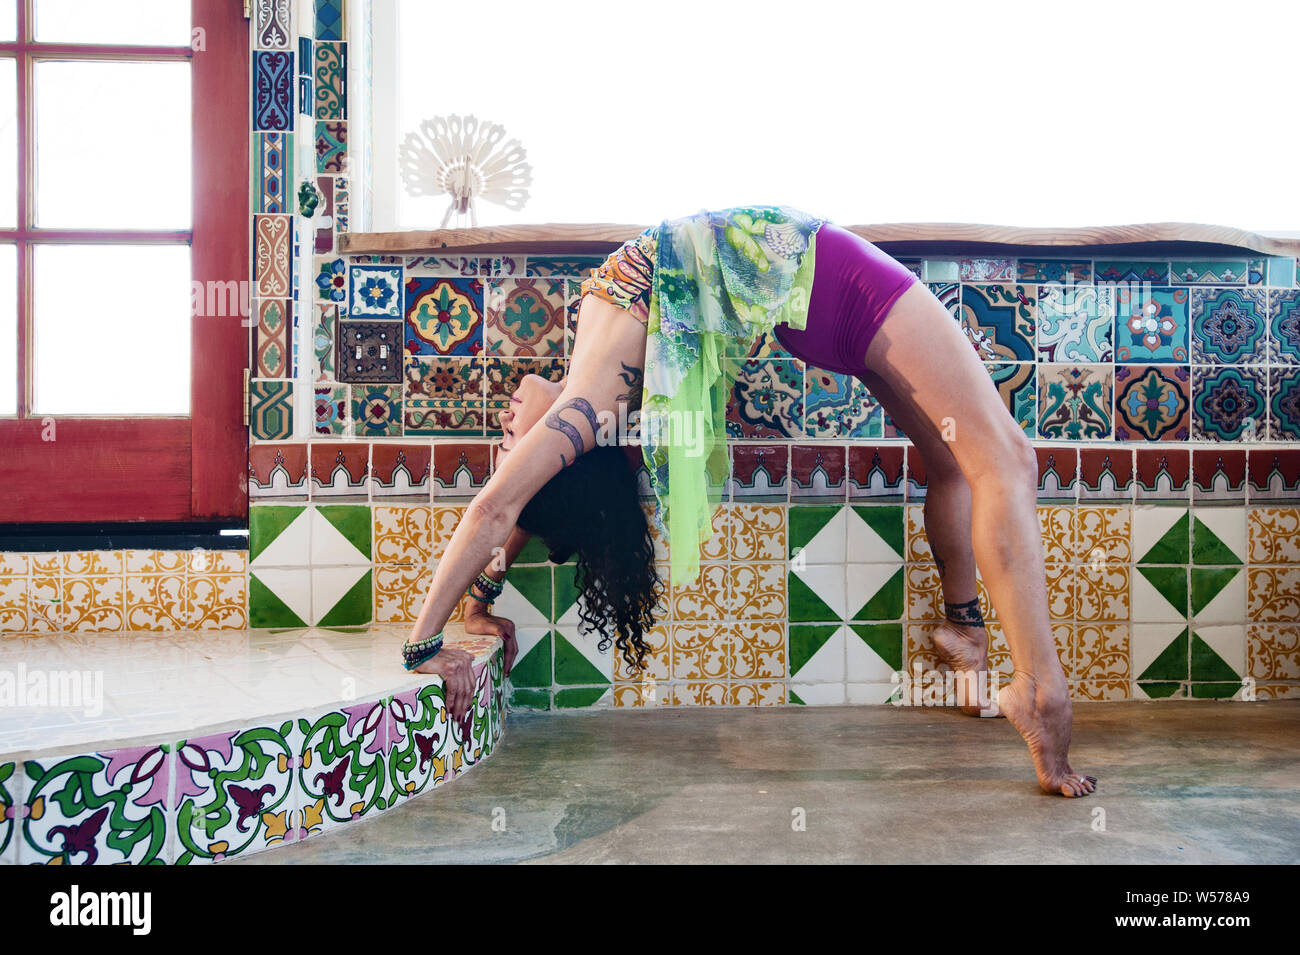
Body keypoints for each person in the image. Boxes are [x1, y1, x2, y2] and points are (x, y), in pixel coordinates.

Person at [405, 205, 1097, 798]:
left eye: (507, 444)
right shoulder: (587, 408)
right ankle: (1040, 692)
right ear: (562, 460)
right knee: (1010, 458)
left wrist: (480, 602)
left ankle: (965, 634)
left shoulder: (594, 367)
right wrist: (423, 645)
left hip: (814, 295)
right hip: (832, 283)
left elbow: (517, 507)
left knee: (953, 457)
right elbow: (497, 505)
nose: (506, 436)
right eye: (513, 447)